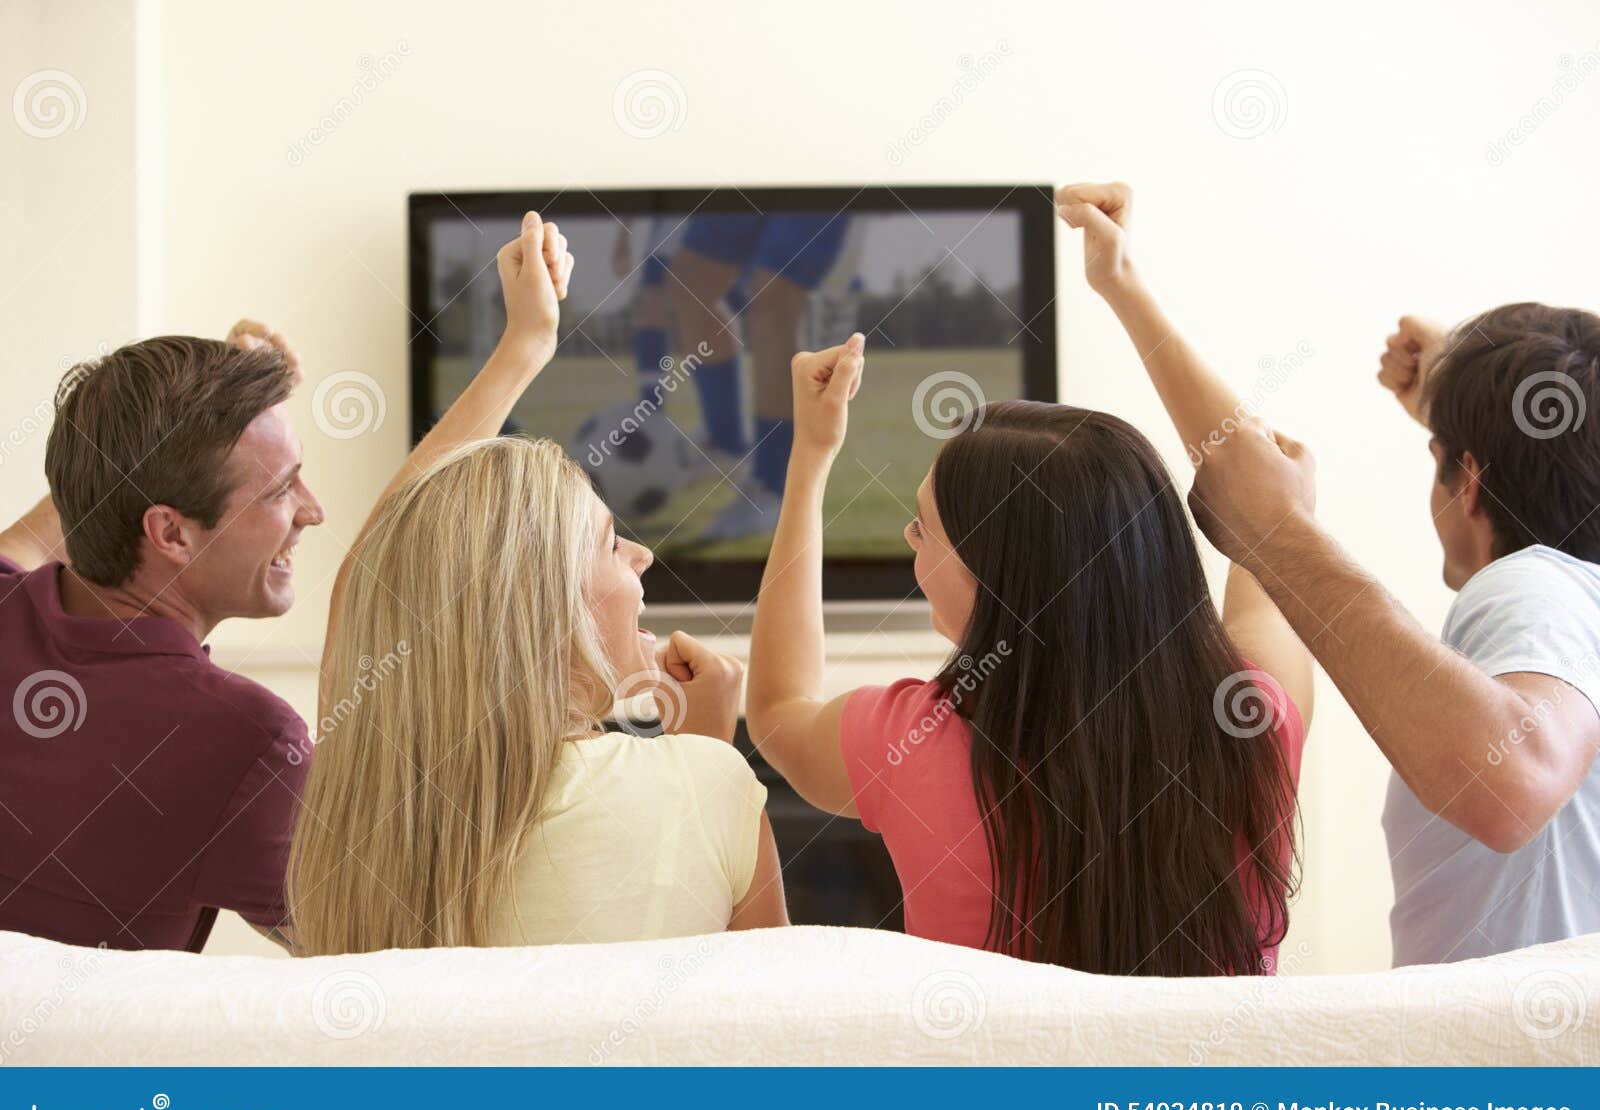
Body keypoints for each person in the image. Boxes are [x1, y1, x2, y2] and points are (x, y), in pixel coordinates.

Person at [743, 183, 1311, 978]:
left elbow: (774, 712)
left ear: (990, 581)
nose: (911, 544)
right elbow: (1263, 499)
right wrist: (1122, 285)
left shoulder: (911, 742)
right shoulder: (1254, 720)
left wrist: (808, 464)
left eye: (923, 529)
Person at [287, 212, 787, 955]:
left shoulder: (368, 786)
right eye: (613, 544)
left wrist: (524, 348)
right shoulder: (707, 784)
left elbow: (373, 576)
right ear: (547, 607)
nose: (644, 555)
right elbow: (760, 1028)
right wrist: (705, 754)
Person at [1189, 302, 1600, 965]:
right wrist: (1462, 404)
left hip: (1524, 1070)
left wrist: (1278, 530)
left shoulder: (1536, 580)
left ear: (1468, 480)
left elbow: (1514, 782)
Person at [0, 320, 325, 951]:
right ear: (172, 534)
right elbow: (386, 959)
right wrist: (524, 349)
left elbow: (56, 524)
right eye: (282, 490)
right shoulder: (248, 739)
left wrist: (195, 413)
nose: (313, 511)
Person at [670, 212, 854, 541]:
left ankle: (772, 487)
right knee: (689, 282)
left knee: (772, 295)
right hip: (745, 166)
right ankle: (726, 442)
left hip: (812, 171)